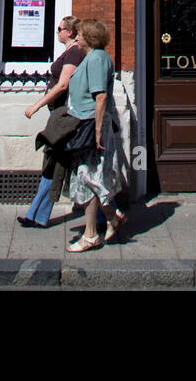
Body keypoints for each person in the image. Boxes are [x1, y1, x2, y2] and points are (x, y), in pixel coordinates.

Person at [16, 15, 84, 228]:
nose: (57, 31)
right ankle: (37, 214)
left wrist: (36, 106)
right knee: (57, 162)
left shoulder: (74, 53)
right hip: (60, 116)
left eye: (60, 28)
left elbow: (63, 85)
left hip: (65, 117)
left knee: (61, 162)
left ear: (69, 32)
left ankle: (106, 214)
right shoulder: (70, 52)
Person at [64, 18, 126, 252]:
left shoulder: (98, 58)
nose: (76, 37)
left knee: (89, 176)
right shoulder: (91, 58)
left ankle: (98, 228)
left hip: (92, 125)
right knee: (88, 177)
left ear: (88, 37)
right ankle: (107, 221)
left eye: (79, 34)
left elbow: (100, 96)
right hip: (86, 124)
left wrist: (98, 131)